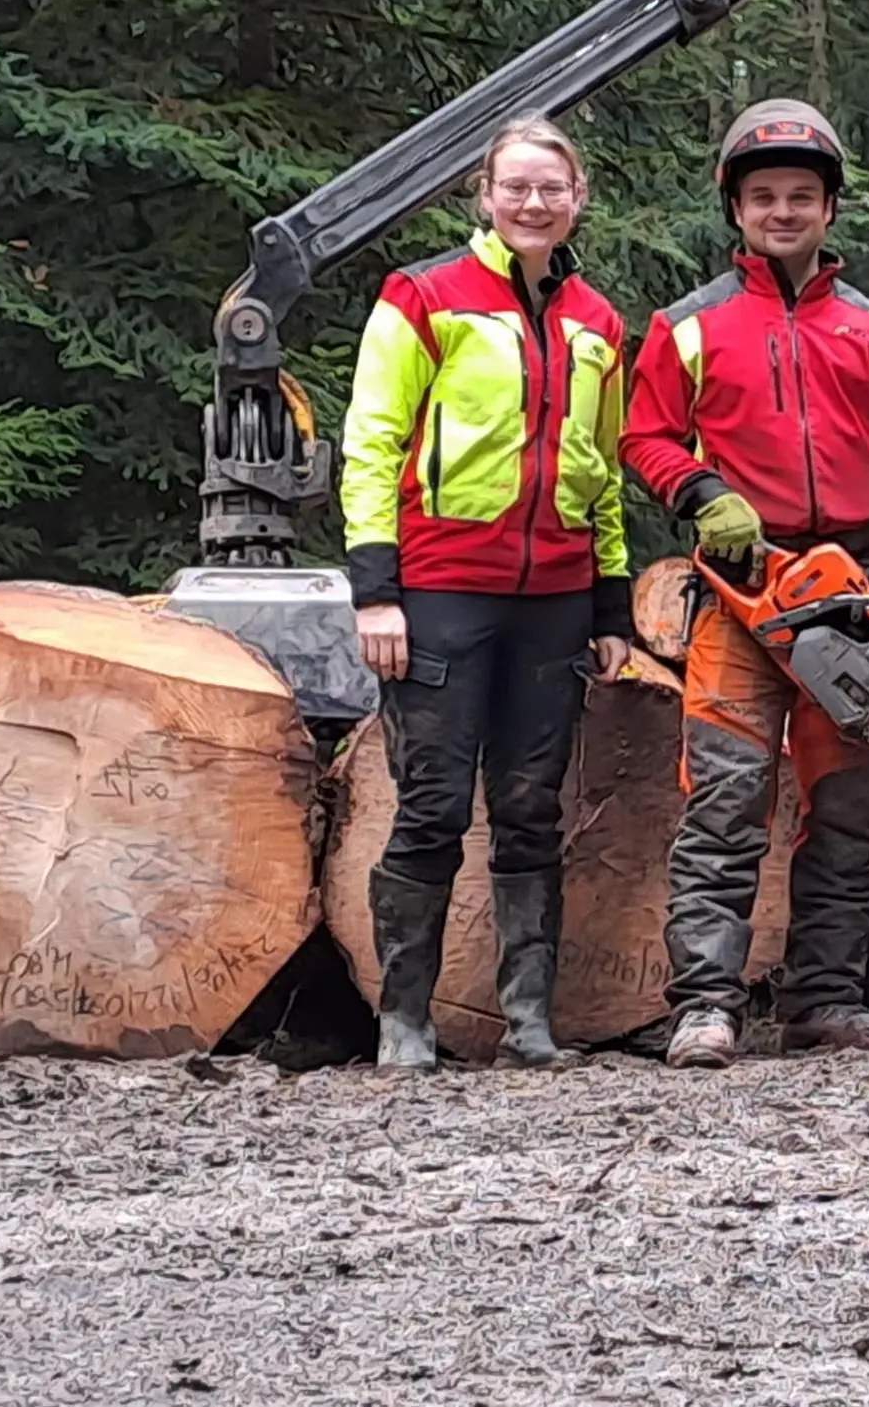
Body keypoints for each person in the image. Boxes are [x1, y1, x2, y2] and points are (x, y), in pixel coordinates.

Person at [622, 101, 869, 1070]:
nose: (783, 211)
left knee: (849, 806)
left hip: (854, 586)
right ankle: (705, 1003)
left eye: (801, 196)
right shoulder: (688, 327)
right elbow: (644, 433)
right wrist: (700, 492)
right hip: (740, 592)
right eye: (764, 195)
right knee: (725, 801)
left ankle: (824, 999)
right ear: (736, 205)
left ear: (829, 208)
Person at [341, 116, 634, 1070]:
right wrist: (375, 590)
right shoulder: (423, 296)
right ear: (486, 194)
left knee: (530, 804)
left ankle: (530, 1018)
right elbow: (373, 443)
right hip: (437, 593)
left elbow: (605, 473)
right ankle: (405, 1019)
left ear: (577, 197)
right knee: (430, 804)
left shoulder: (597, 321)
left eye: (552, 188)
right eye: (516, 187)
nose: (534, 203)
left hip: (552, 596)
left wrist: (612, 606)